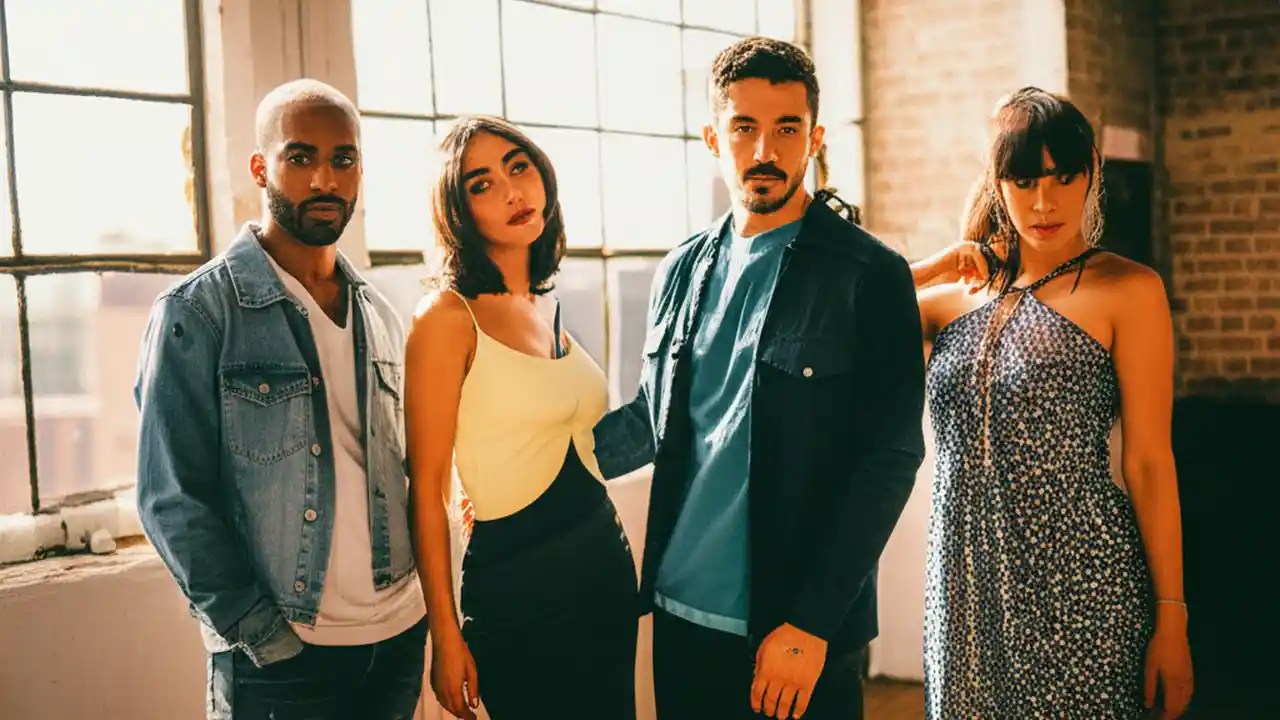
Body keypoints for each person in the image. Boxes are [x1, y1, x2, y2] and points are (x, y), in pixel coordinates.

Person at [593, 37, 925, 720]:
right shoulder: (680, 269)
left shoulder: (869, 274)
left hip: (797, 630)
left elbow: (890, 460)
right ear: (714, 136)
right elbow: (651, 419)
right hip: (679, 612)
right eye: (745, 127)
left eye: (786, 128)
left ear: (816, 137)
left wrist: (811, 623)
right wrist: (523, 473)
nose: (765, 150)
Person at [134, 79, 427, 719]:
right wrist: (258, 631)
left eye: (343, 159)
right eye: (301, 157)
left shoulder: (379, 312)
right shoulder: (199, 312)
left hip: (396, 636)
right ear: (262, 168)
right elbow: (170, 497)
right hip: (282, 656)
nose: (325, 178)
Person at [910, 87, 1194, 718]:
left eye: (1064, 177)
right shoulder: (952, 301)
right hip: (964, 592)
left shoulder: (1128, 289)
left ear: (1092, 169)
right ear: (997, 181)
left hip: (1083, 585)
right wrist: (927, 271)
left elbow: (1149, 462)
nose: (1045, 202)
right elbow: (838, 326)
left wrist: (1171, 620)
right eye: (1024, 179)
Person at [404, 115, 639, 720]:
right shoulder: (445, 318)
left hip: (605, 576)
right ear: (457, 211)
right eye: (480, 184)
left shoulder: (546, 306)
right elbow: (426, 493)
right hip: (519, 595)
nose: (511, 191)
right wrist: (445, 636)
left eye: (518, 167)